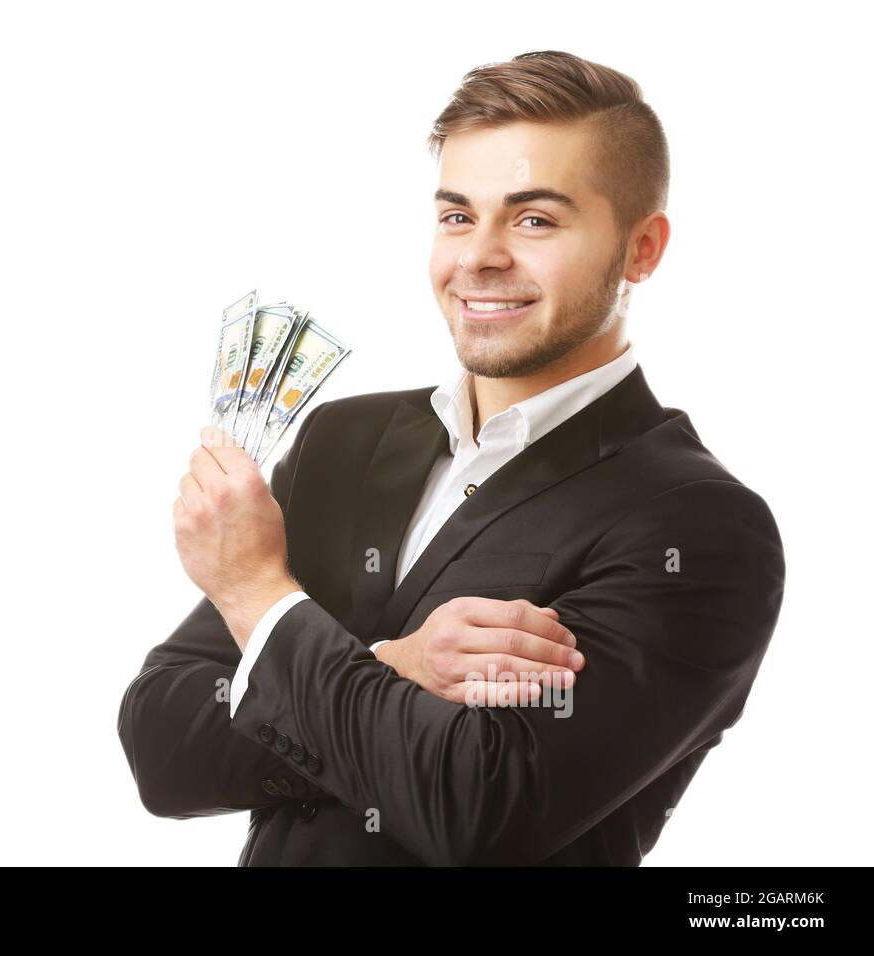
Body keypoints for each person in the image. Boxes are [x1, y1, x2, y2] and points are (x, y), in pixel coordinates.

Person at [117, 50, 785, 866]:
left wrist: (258, 595)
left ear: (642, 249)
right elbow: (161, 745)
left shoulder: (699, 524)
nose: (479, 257)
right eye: (458, 215)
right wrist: (392, 667)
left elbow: (478, 806)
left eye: (534, 219)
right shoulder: (342, 444)